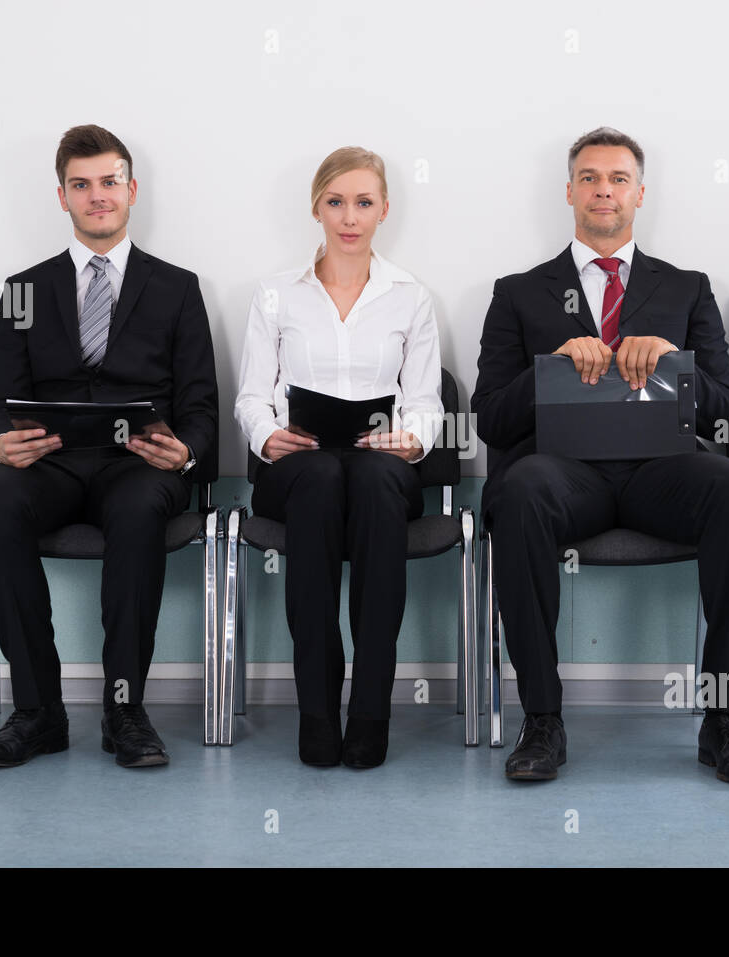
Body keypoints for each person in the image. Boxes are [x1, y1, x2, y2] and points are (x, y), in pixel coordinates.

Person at [473, 127, 729, 784]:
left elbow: (726, 405)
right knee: (518, 492)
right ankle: (542, 719)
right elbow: (489, 417)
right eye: (589, 177)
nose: (603, 189)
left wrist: (673, 359)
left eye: (616, 178)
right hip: (561, 473)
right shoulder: (519, 292)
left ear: (640, 192)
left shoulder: (688, 288)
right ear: (570, 191)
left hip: (659, 470)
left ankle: (725, 720)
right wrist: (547, 368)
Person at [0, 124, 218, 769]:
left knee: (138, 513)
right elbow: (0, 399)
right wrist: (0, 444)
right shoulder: (23, 289)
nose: (96, 195)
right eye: (82, 185)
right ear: (62, 197)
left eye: (109, 182)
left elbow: (200, 403)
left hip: (139, 463)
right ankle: (38, 713)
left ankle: (124, 710)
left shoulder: (178, 287)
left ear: (131, 190)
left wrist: (185, 453)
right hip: (49, 461)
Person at [234, 147, 443, 769]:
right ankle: (318, 712)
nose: (349, 217)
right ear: (317, 207)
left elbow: (427, 401)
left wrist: (412, 438)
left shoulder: (411, 296)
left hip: (380, 465)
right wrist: (267, 434)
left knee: (378, 479)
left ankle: (371, 712)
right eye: (336, 202)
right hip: (299, 467)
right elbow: (250, 395)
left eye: (363, 202)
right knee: (322, 473)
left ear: (384, 210)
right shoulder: (275, 294)